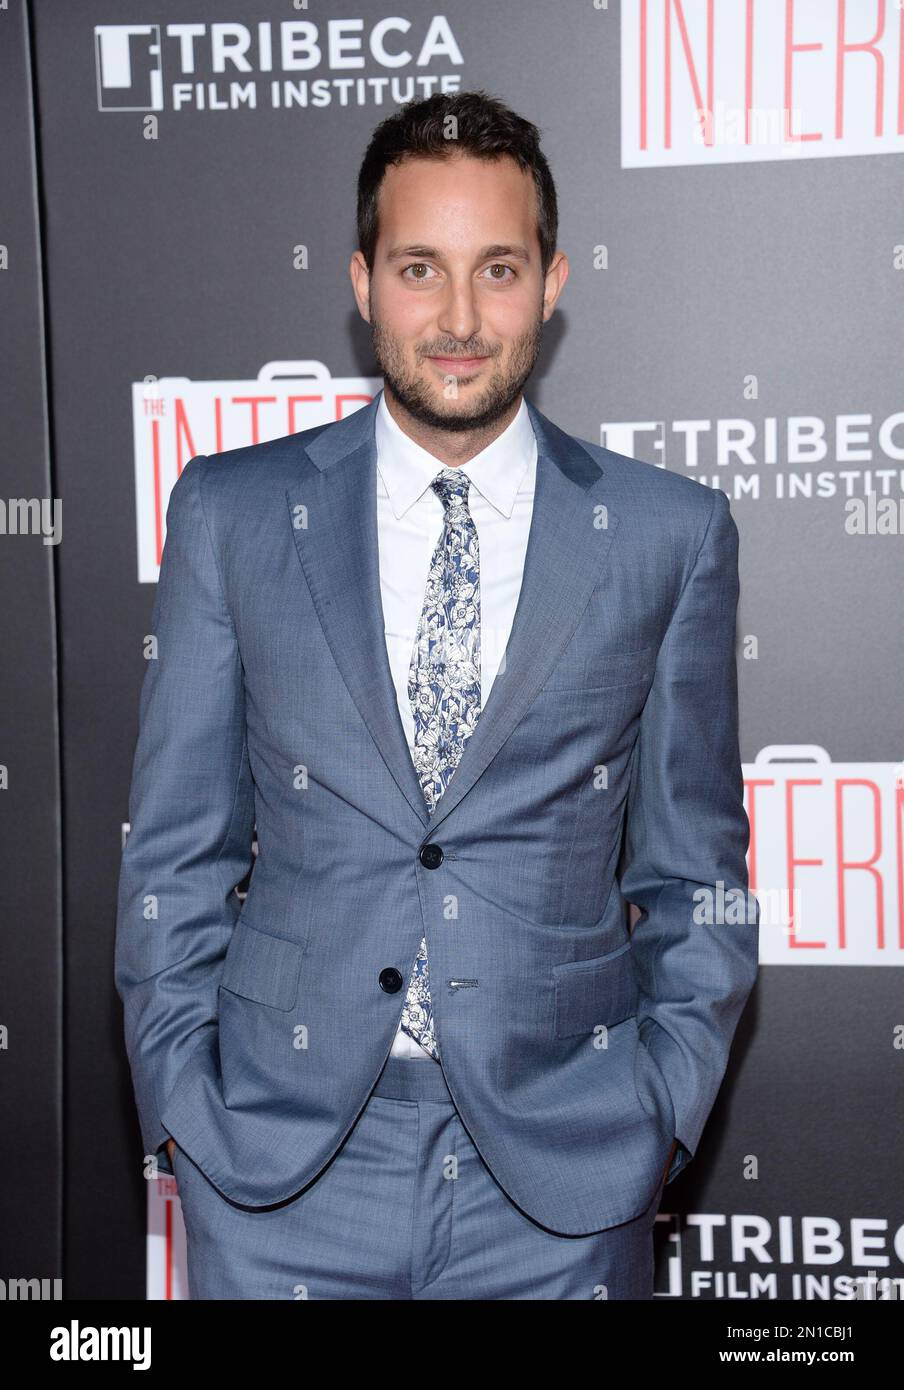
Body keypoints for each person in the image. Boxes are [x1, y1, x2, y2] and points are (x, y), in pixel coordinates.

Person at [115, 89, 758, 1300]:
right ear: (363, 283)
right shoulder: (233, 513)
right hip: (276, 1173)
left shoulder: (665, 535)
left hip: (561, 1180)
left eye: (496, 269)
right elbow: (175, 856)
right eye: (420, 268)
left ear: (551, 282)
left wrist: (658, 1114)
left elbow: (695, 878)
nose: (459, 318)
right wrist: (186, 1110)